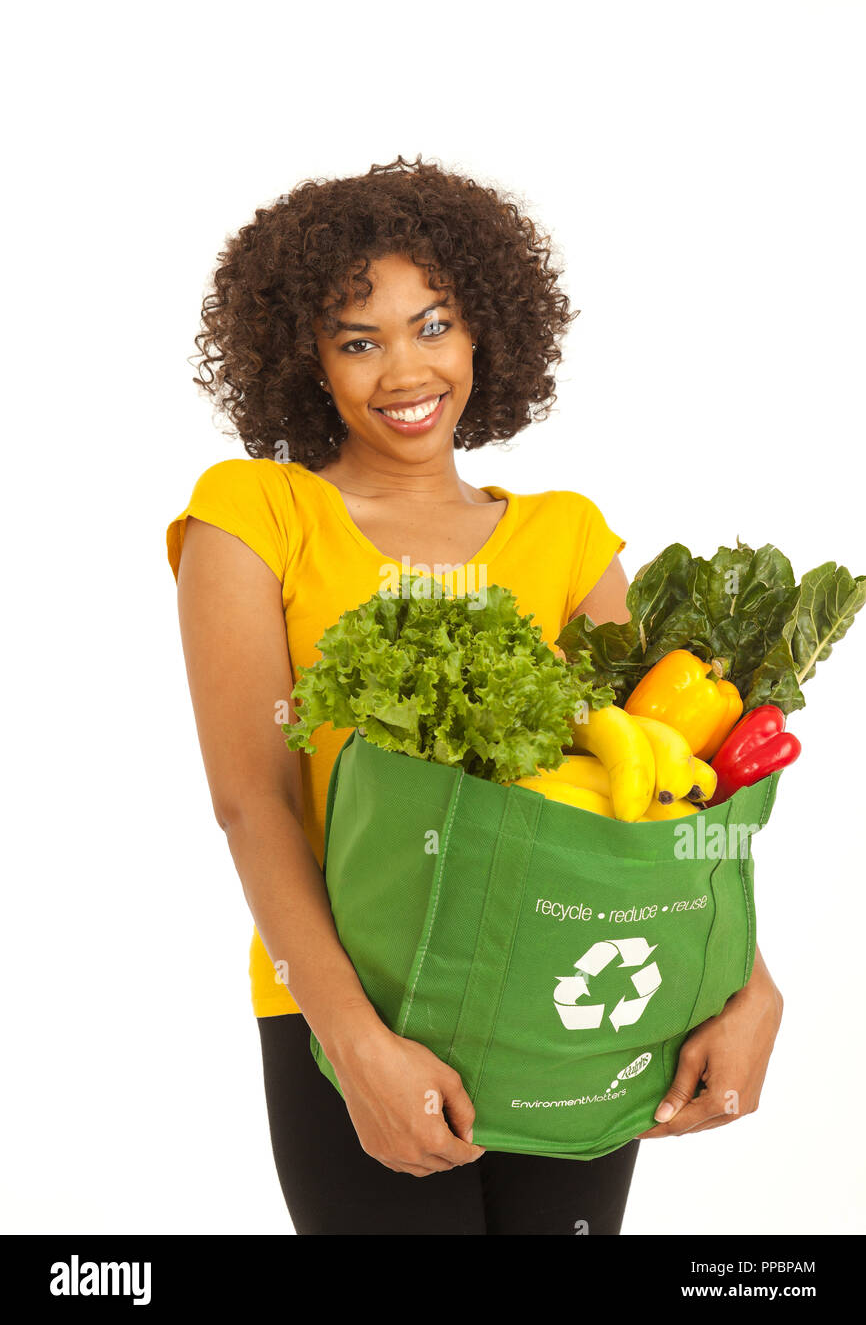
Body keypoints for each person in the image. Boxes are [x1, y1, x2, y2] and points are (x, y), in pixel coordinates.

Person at [166, 154, 784, 1235]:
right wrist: (351, 1039)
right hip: (352, 1006)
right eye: (358, 340)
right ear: (303, 360)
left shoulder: (565, 537)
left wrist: (746, 983)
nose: (404, 369)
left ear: (486, 329)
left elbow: (657, 788)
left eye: (433, 324)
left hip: (569, 996)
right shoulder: (256, 514)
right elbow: (252, 801)